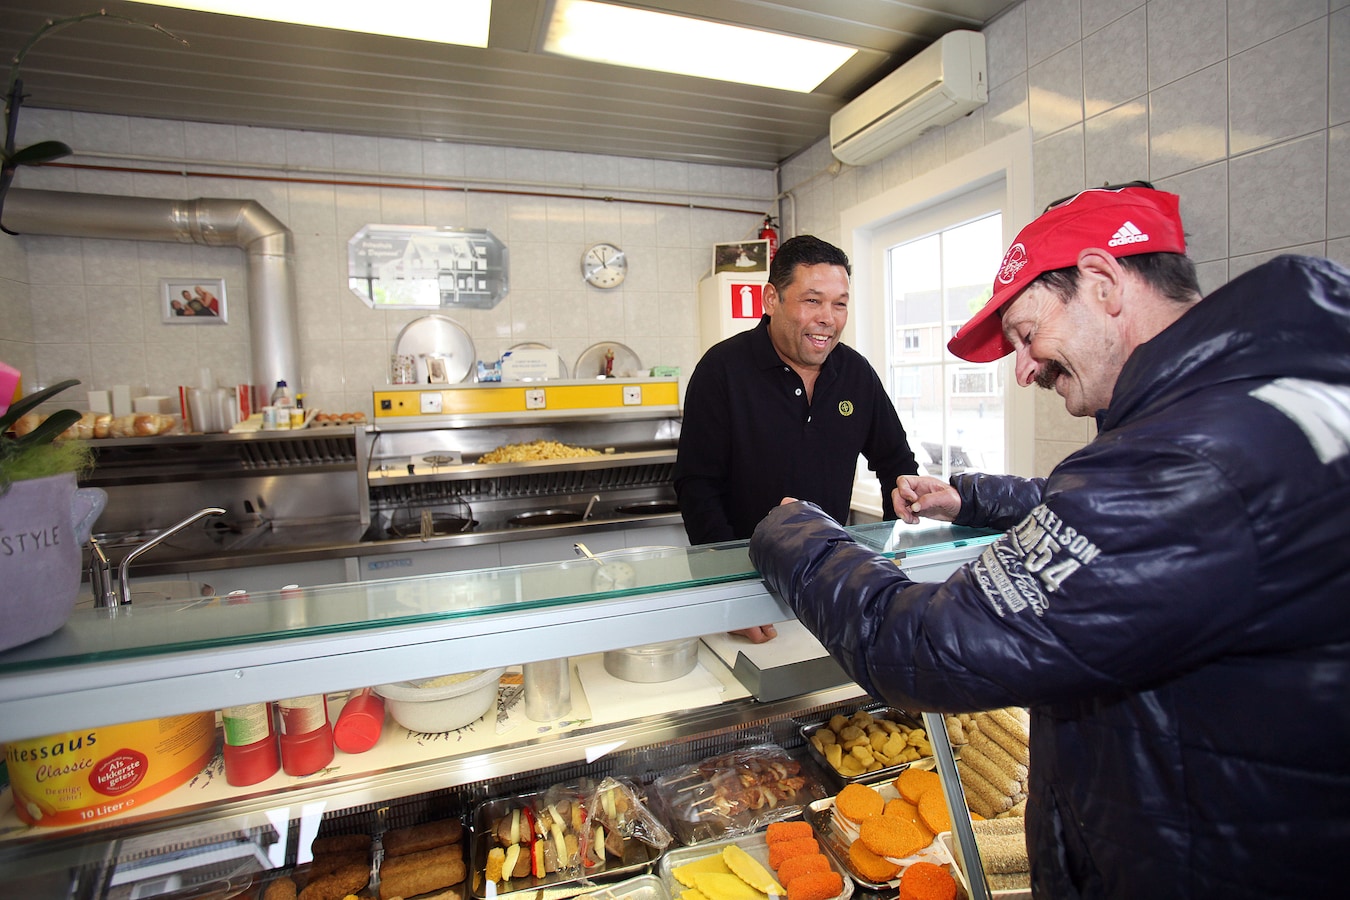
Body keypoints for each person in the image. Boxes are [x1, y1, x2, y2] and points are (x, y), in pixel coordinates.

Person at [748, 186, 1350, 897]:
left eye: (1026, 333)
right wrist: (974, 497)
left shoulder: (1184, 461)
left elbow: (923, 647)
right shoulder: (1269, 395)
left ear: (1102, 284)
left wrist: (794, 530)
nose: (1024, 368)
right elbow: (1143, 519)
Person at [675, 234, 919, 641]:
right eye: (812, 300)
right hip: (748, 586)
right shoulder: (722, 370)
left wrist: (892, 553)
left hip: (830, 582)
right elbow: (697, 487)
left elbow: (896, 462)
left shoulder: (856, 373)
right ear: (771, 299)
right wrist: (730, 588)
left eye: (839, 303)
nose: (829, 317)